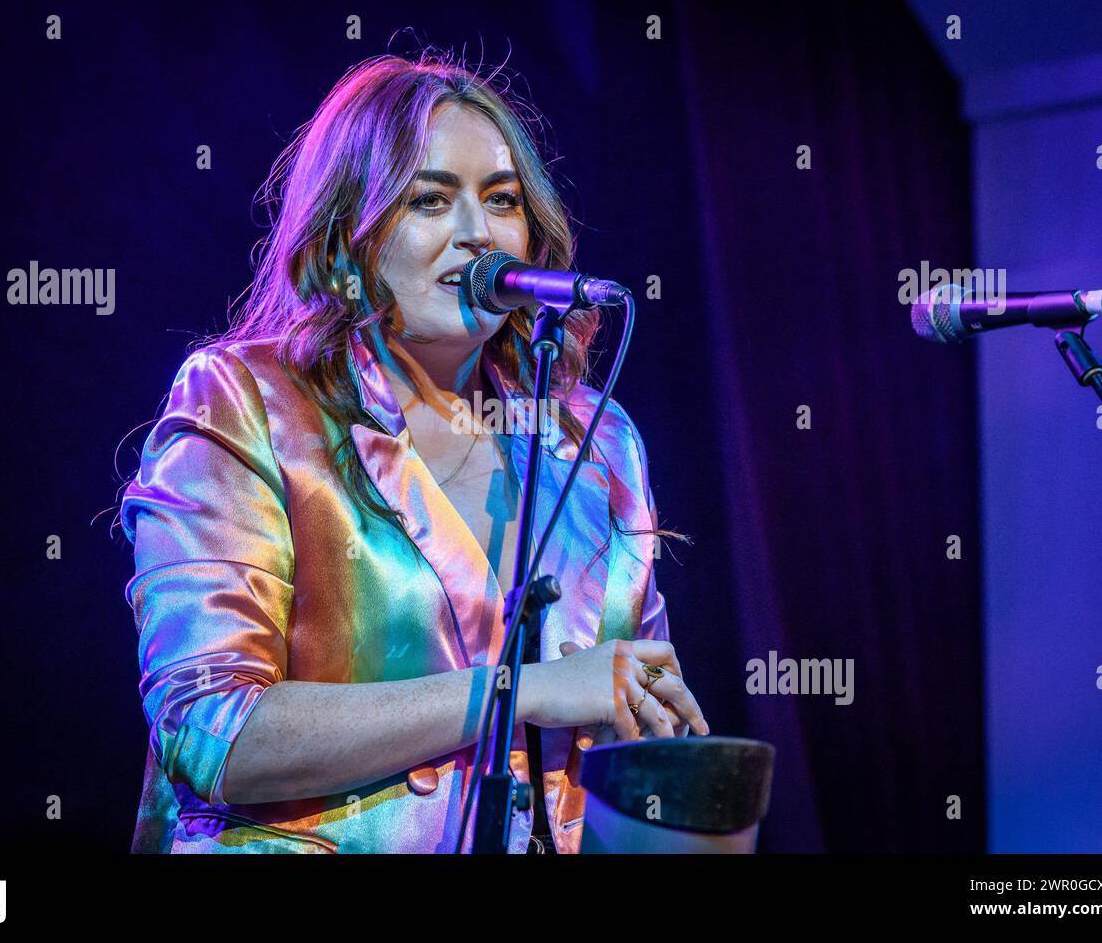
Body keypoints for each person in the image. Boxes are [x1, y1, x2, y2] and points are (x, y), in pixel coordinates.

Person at [118, 51, 708, 854]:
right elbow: (213, 732)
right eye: (430, 199)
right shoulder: (247, 402)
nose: (477, 233)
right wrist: (518, 692)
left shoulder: (595, 441)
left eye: (501, 200)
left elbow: (617, 713)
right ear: (345, 238)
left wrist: (653, 735)